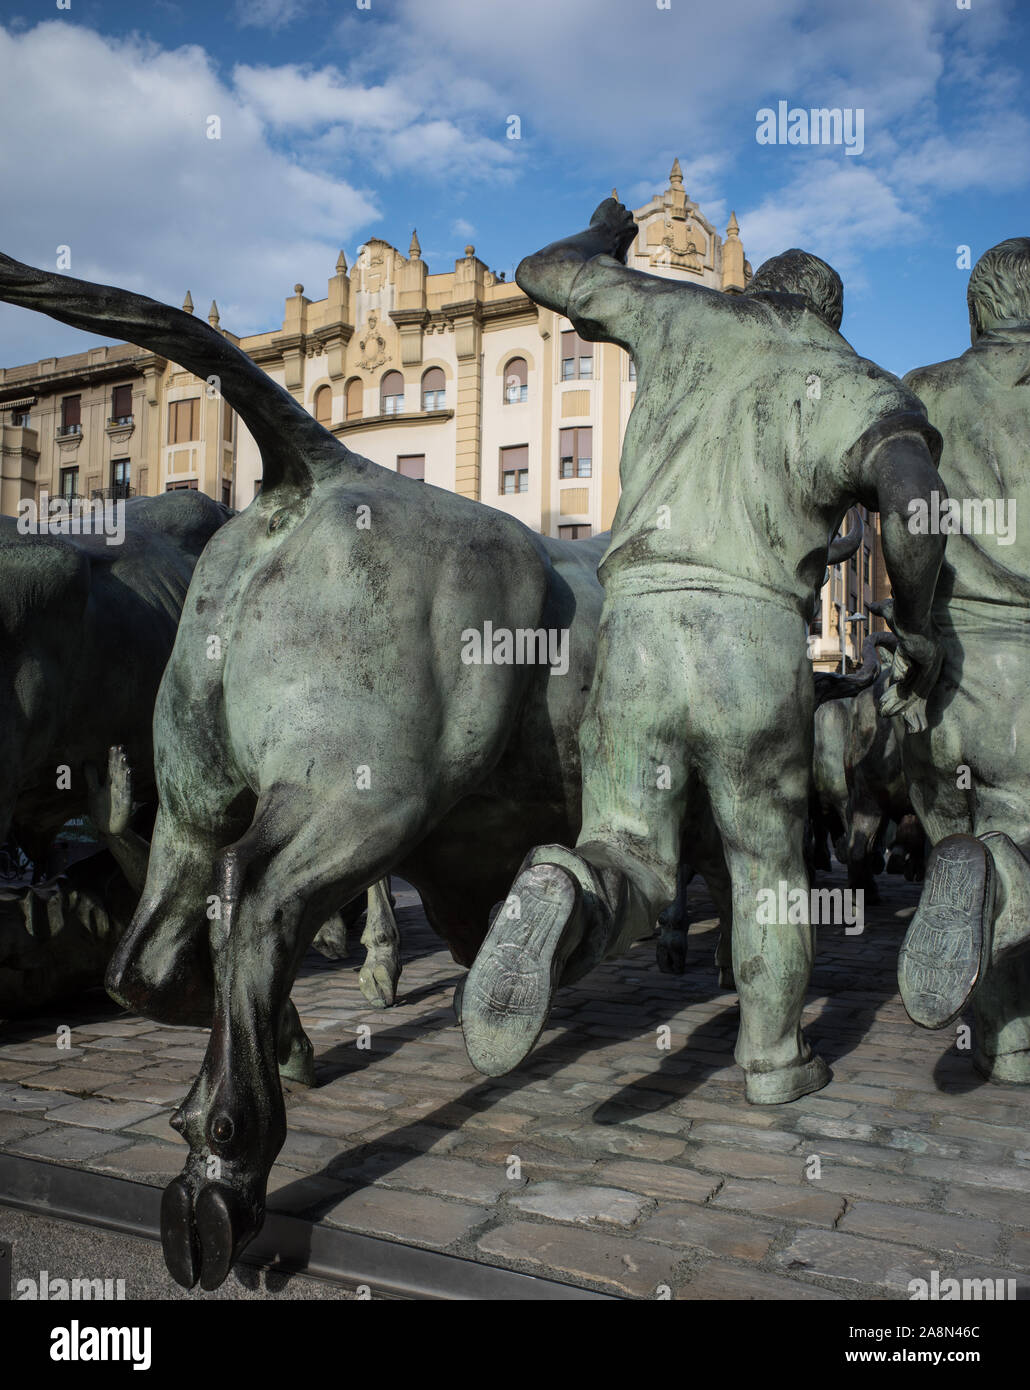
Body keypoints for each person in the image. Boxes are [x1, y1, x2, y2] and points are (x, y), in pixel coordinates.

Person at [461, 197, 947, 1103]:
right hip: (755, 640)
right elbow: (916, 504)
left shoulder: (679, 312)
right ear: (826, 315)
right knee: (766, 866)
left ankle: (574, 891)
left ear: (756, 291)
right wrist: (914, 623)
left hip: (636, 622)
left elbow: (539, 271)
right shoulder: (850, 376)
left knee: (628, 850)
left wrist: (606, 234)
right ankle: (770, 1061)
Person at [892, 238, 1030, 1084]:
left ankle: (1010, 1041)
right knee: (1009, 858)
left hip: (950, 680)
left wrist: (914, 634)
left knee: (965, 843)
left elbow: (904, 519)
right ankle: (1010, 879)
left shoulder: (925, 392)